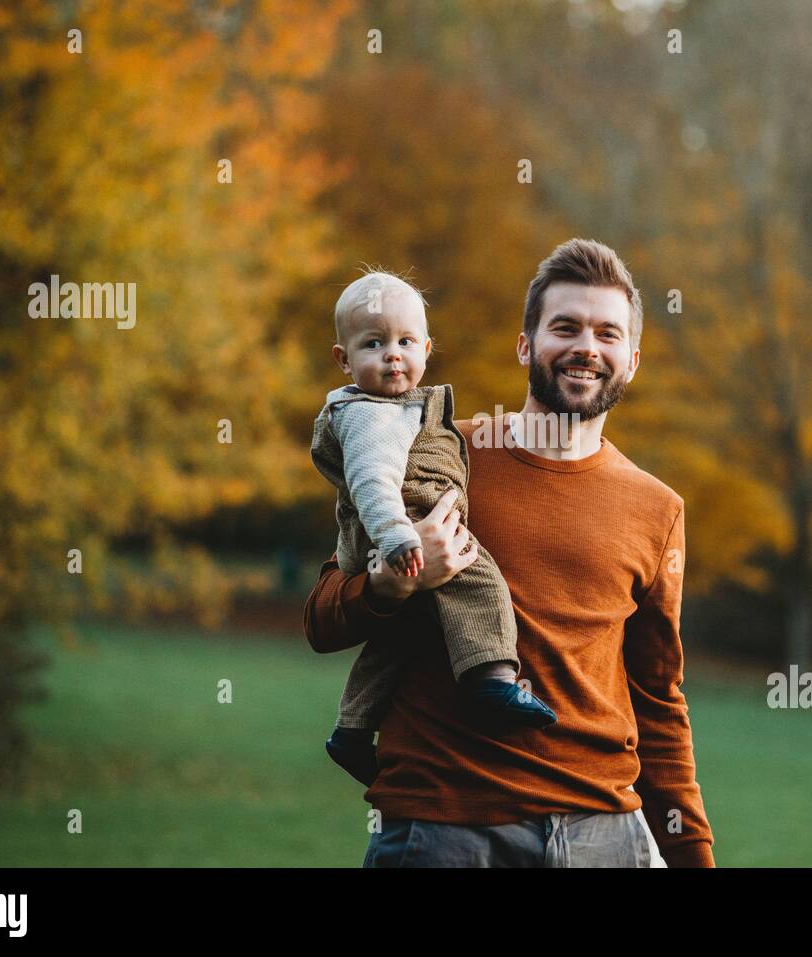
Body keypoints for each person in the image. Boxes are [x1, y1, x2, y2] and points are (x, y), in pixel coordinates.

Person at [304, 239, 715, 867]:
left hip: (604, 831)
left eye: (607, 333)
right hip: (446, 828)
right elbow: (322, 616)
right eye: (565, 327)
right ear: (527, 345)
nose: (586, 347)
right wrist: (393, 583)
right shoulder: (437, 453)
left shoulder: (657, 510)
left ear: (630, 361)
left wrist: (691, 854)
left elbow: (658, 698)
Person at [311, 270, 557, 787]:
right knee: (478, 575)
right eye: (373, 344)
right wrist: (399, 545)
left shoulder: (409, 411)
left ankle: (352, 731)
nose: (392, 355)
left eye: (404, 342)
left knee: (402, 634)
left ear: (427, 347)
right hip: (400, 530)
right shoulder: (373, 417)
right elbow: (373, 482)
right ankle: (491, 675)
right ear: (344, 359)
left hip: (395, 534)